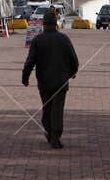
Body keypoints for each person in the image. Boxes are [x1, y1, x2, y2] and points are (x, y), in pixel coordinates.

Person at [21, 8, 79, 149]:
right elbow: (73, 59)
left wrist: (25, 77)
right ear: (56, 24)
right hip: (61, 81)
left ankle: (49, 131)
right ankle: (55, 136)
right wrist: (72, 72)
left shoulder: (37, 40)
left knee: (47, 108)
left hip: (44, 82)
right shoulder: (63, 39)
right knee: (57, 110)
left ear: (43, 24)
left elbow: (30, 61)